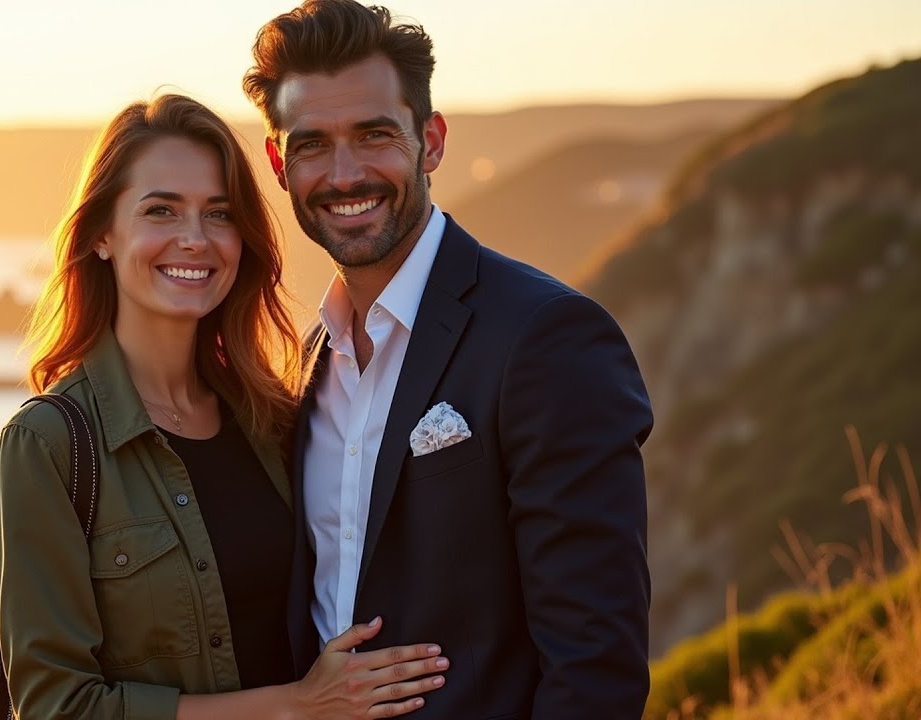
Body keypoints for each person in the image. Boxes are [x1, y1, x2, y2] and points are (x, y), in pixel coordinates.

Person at [243, 2, 656, 717]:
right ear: (280, 164)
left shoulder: (547, 337)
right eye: (312, 145)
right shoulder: (309, 363)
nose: (344, 175)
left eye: (373, 135)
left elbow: (596, 666)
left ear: (429, 141)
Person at [0, 93, 449, 720]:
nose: (195, 240)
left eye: (219, 213)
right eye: (162, 211)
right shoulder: (48, 445)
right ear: (101, 234)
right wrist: (298, 705)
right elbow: (55, 707)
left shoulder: (276, 419)